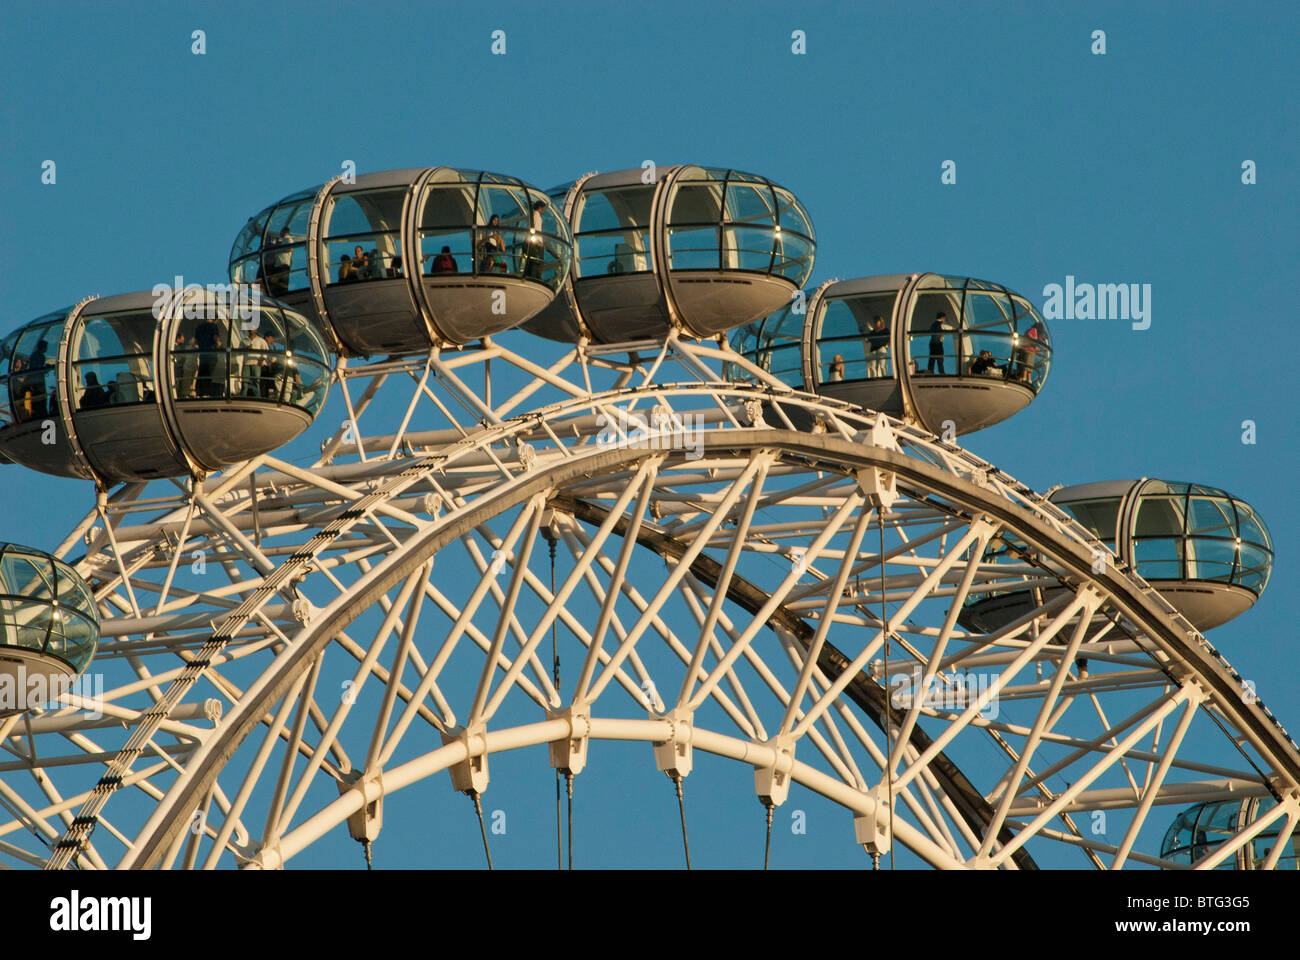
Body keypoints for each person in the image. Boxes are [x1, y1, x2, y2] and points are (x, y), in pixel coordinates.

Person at [194, 316, 222, 398]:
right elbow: (215, 338)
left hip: (202, 354)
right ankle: (208, 392)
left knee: (202, 372)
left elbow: (195, 342)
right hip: (211, 353)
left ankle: (200, 391)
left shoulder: (199, 327)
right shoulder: (213, 326)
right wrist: (219, 344)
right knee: (210, 373)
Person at [525, 200, 546, 279]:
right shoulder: (536, 216)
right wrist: (539, 242)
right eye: (543, 208)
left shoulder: (530, 215)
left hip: (530, 241)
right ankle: (536, 278)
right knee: (537, 262)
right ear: (540, 207)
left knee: (532, 262)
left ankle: (532, 276)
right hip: (536, 242)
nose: (543, 210)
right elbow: (537, 230)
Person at [244, 327, 267, 397]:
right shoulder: (244, 340)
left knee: (256, 381)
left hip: (256, 363)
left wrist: (261, 360)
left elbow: (266, 351)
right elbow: (239, 351)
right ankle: (243, 396)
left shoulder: (261, 340)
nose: (251, 329)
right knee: (244, 381)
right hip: (246, 363)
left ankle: (257, 397)